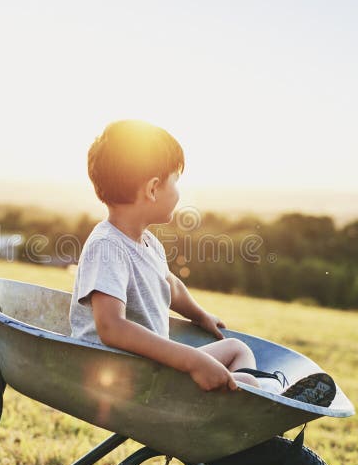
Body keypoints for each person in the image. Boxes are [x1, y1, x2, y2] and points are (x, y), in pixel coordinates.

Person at [70, 120, 336, 403]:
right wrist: (191, 361)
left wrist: (200, 315)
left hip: (152, 368)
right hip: (124, 379)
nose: (179, 191)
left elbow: (170, 286)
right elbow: (111, 327)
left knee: (236, 349)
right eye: (176, 180)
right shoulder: (107, 246)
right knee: (242, 381)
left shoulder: (147, 243)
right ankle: (279, 399)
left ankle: (265, 394)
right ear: (152, 189)